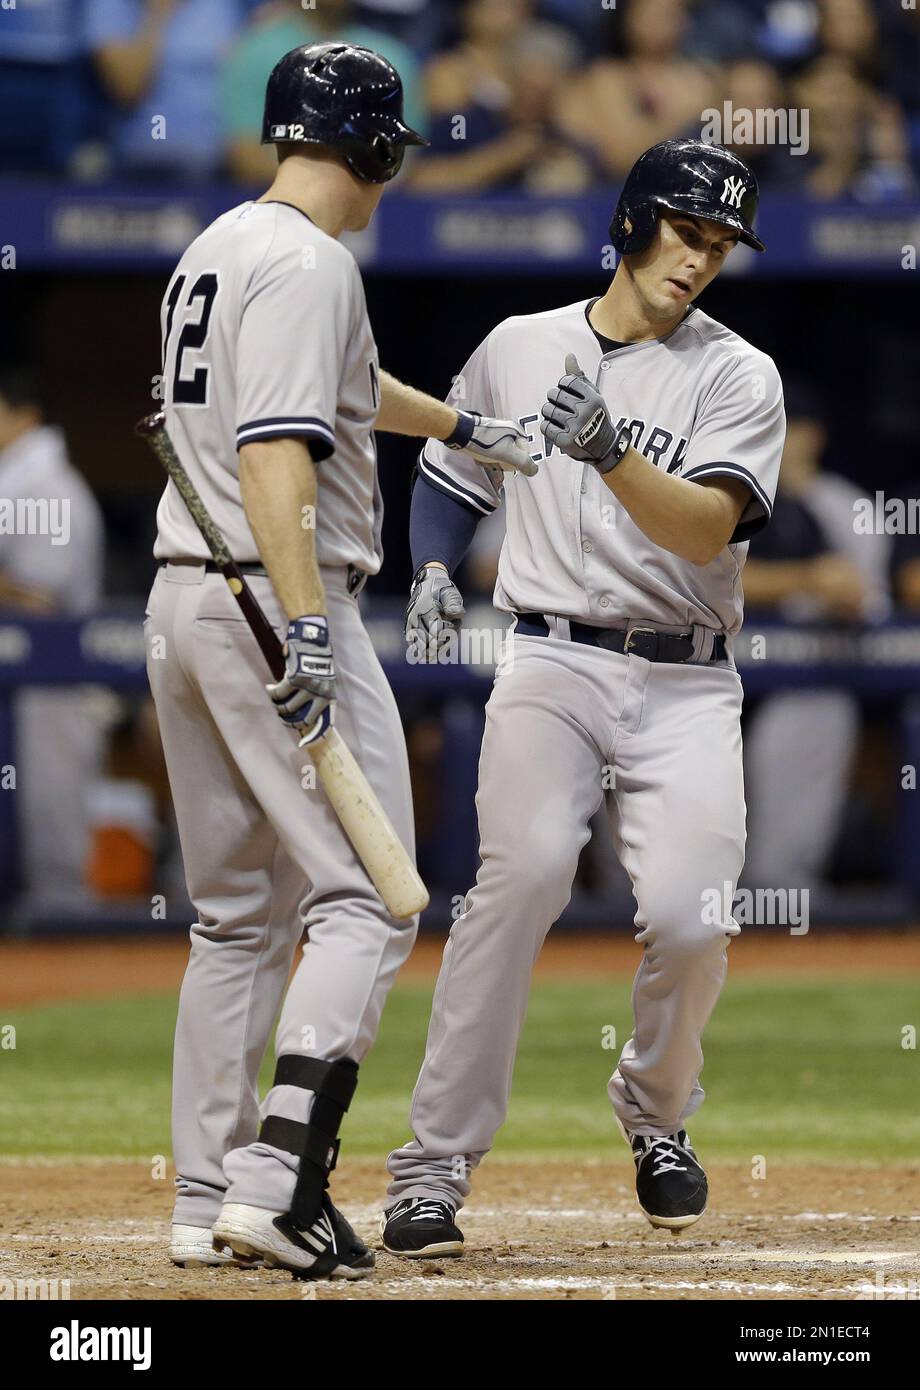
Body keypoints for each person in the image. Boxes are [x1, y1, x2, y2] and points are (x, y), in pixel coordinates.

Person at [147, 41, 535, 1279]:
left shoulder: (218, 245)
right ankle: (274, 1182)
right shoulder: (315, 261)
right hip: (274, 599)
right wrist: (309, 623)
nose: (389, 176)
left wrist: (468, 426)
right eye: (389, 151)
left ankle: (202, 1194)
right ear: (366, 146)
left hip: (180, 599)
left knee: (232, 917)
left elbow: (349, 390)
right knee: (371, 898)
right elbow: (278, 456)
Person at [380, 138, 785, 1257]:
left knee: (692, 921)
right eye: (687, 233)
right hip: (548, 658)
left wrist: (608, 455)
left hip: (684, 675)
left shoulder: (735, 373)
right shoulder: (520, 345)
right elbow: (452, 470)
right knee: (516, 886)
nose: (700, 261)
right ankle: (430, 1168)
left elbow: (707, 523)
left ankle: (656, 1117)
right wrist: (424, 565)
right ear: (631, 222)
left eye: (719, 246)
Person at [741, 386, 891, 894]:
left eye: (792, 426)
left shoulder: (843, 505)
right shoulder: (721, 490)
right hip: (704, 667)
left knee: (817, 710)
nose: (780, 438)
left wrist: (800, 499)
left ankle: (780, 905)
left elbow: (858, 597)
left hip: (806, 672)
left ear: (815, 435)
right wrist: (804, 578)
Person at [0, 368, 106, 901]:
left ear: (26, 415)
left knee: (53, 839)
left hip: (59, 683)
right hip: (19, 690)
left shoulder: (50, 487)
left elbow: (40, 599)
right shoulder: (15, 482)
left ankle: (80, 961)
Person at [220, 0, 425, 185]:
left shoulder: (392, 56)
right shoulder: (256, 52)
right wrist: (324, 188)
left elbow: (404, 159)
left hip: (380, 204)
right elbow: (245, 155)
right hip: (275, 201)